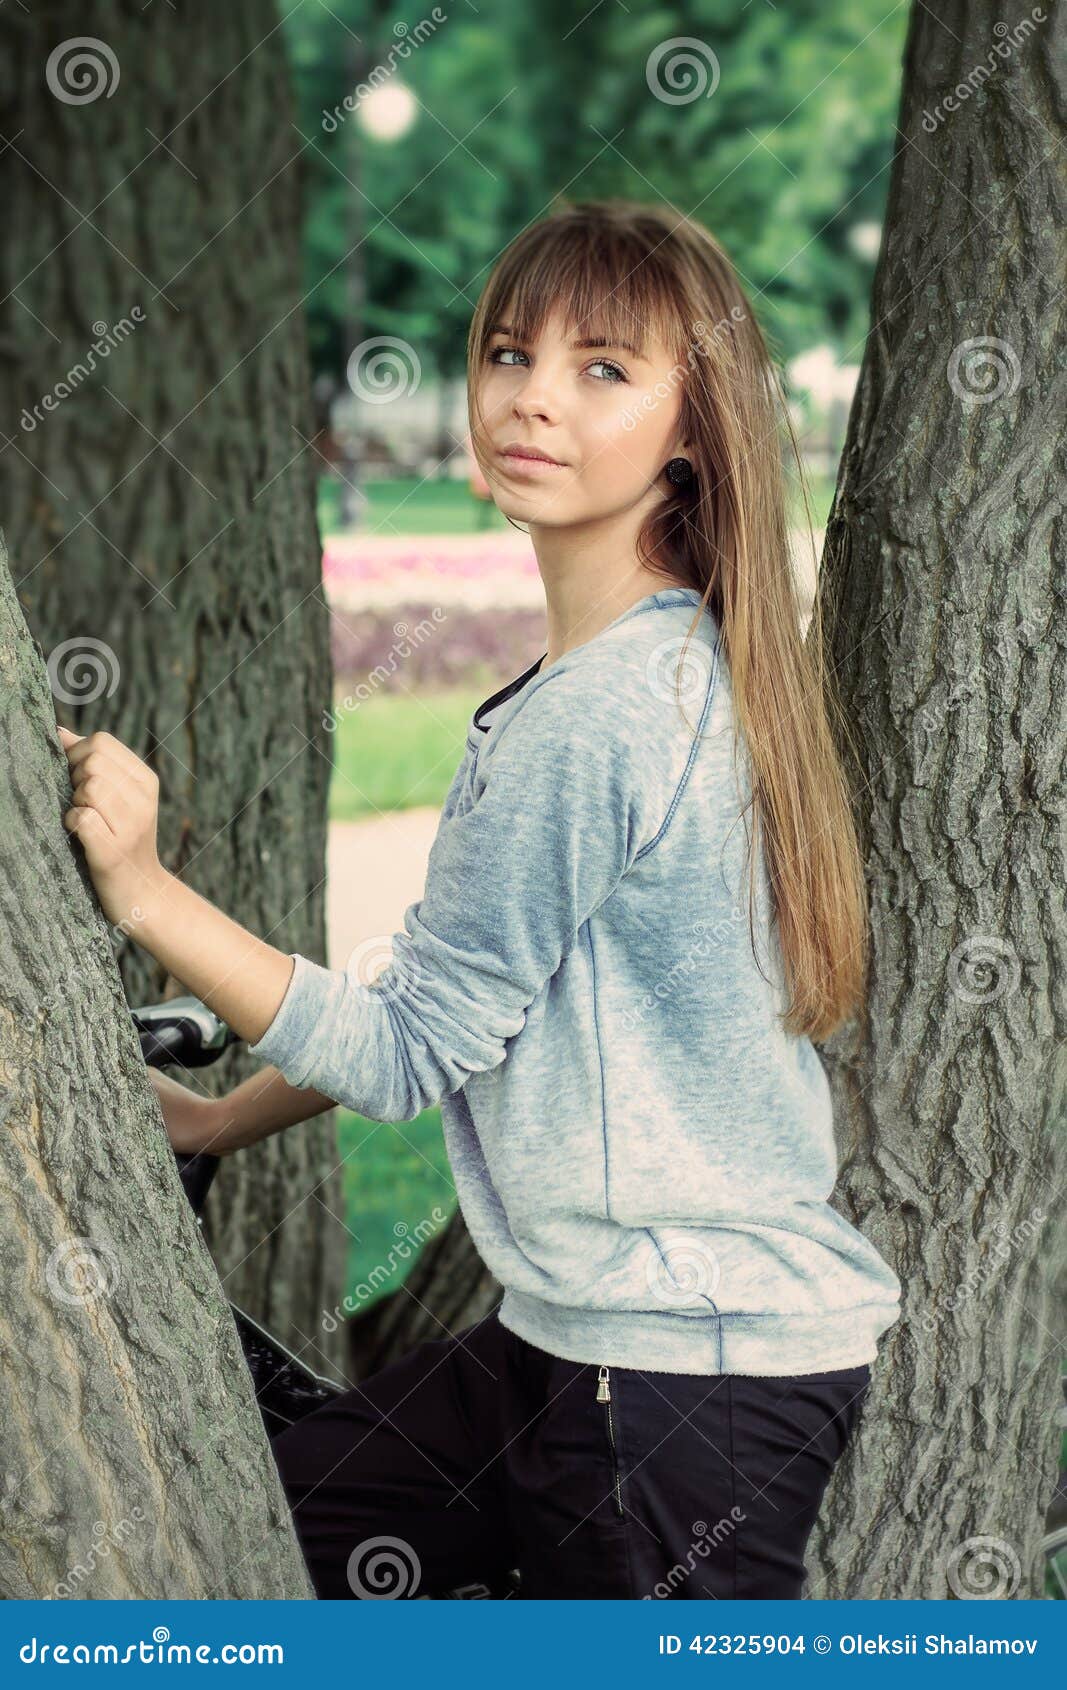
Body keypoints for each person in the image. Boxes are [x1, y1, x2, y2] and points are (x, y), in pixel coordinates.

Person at [57, 198, 901, 1601]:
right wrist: (215, 1119)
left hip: (679, 1384)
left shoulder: (609, 711)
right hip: (566, 1342)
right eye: (510, 352)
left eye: (603, 367)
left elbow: (405, 1054)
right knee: (240, 1548)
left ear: (694, 430)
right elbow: (453, 997)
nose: (531, 397)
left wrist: (143, 889)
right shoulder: (635, 668)